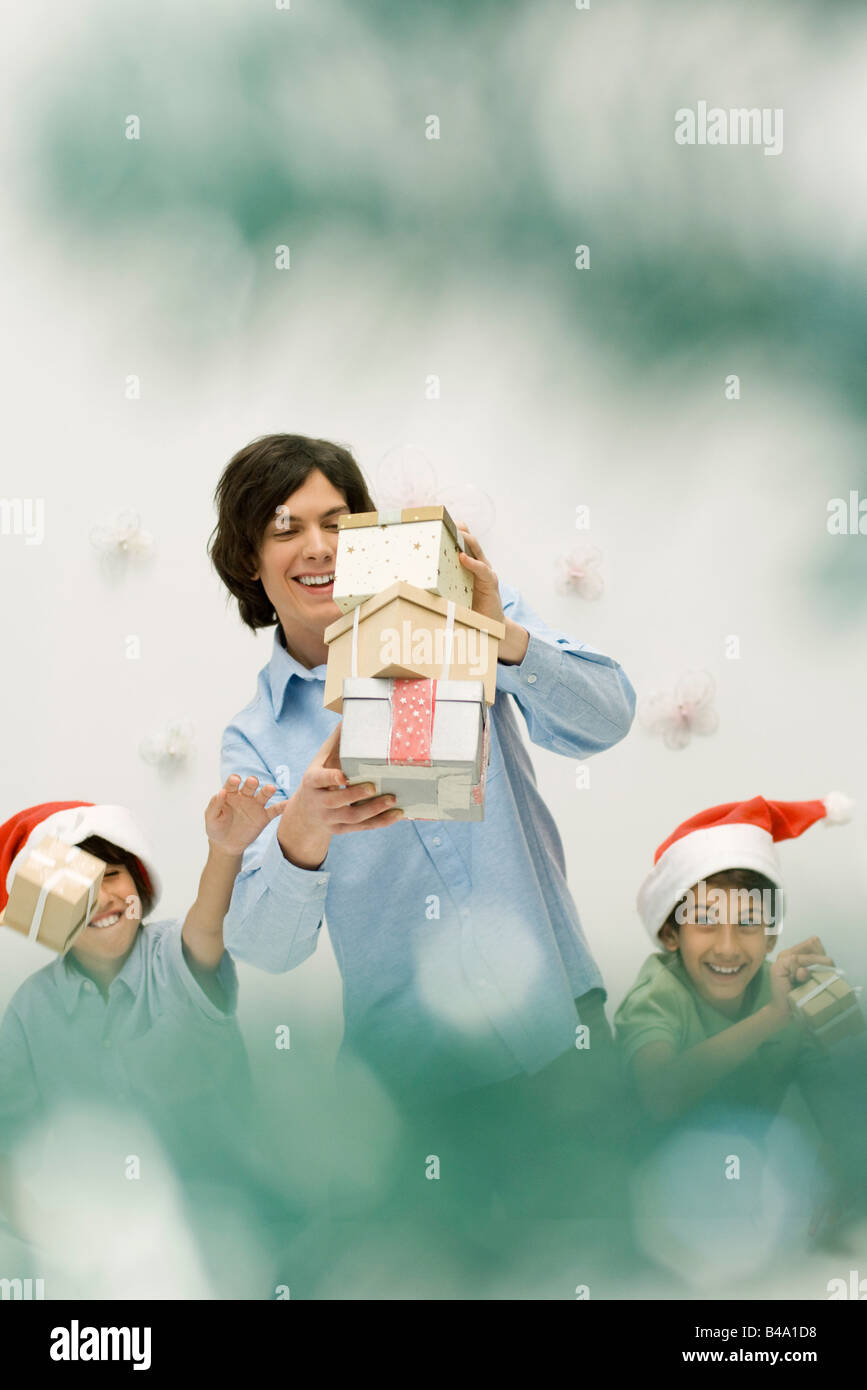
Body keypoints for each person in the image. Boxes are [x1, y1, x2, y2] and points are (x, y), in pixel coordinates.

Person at [209, 432, 636, 1221]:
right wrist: (302, 831)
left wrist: (494, 637)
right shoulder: (257, 738)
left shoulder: (466, 617)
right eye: (284, 528)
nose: (317, 549)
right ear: (248, 560)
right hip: (414, 1087)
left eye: (337, 522)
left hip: (556, 1030)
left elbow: (608, 719)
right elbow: (265, 949)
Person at [0, 779, 291, 1250]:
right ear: (47, 914)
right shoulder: (28, 1010)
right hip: (105, 1249)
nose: (102, 898)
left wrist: (225, 850)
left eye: (112, 875)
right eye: (76, 886)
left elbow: (208, 919)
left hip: (226, 1233)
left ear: (138, 883)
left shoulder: (178, 954)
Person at [615, 794, 866, 1241]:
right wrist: (771, 1017)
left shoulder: (788, 992)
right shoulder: (655, 997)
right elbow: (657, 1094)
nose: (729, 947)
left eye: (749, 923)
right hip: (639, 1203)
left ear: (771, 938)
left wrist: (841, 1018)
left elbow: (843, 1110)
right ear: (671, 934)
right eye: (707, 921)